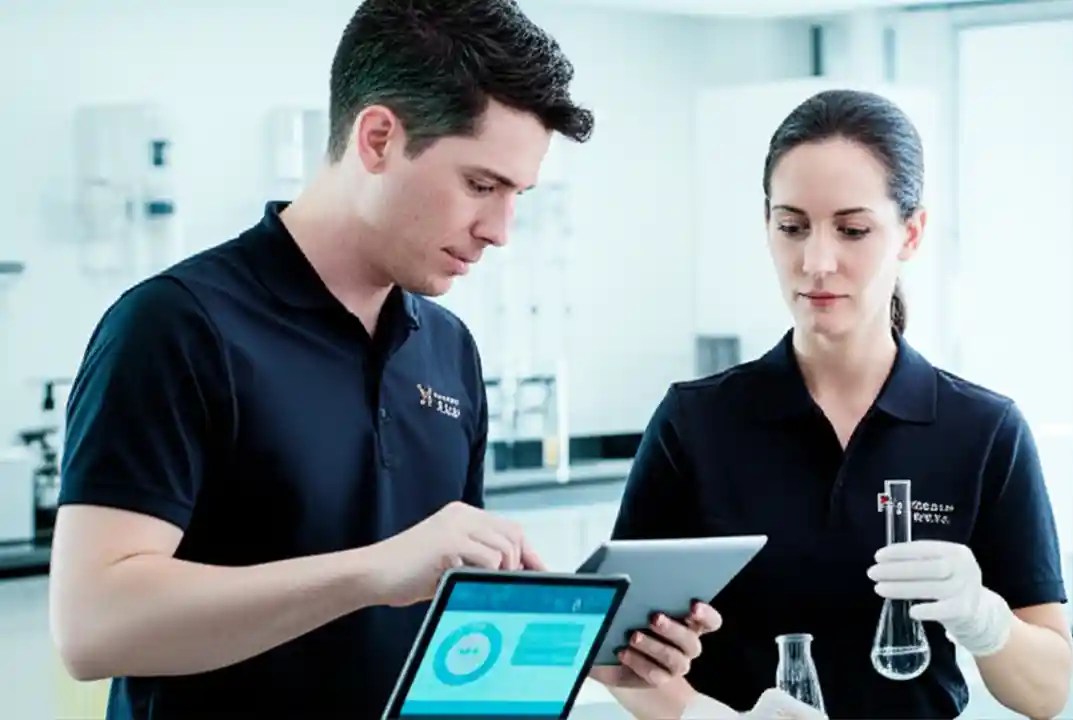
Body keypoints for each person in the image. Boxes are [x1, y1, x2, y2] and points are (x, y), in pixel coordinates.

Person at [48, 2, 716, 718]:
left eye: (517, 196)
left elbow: (448, 635)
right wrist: (374, 572)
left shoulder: (448, 349)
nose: (499, 231)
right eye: (481, 185)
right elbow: (93, 626)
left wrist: (597, 646)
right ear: (377, 139)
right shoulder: (176, 326)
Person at [610, 89, 1073, 720]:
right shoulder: (696, 424)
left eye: (853, 230)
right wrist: (705, 718)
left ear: (911, 233)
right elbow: (620, 653)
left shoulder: (985, 431)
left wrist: (984, 619)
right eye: (792, 227)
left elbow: (1046, 692)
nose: (816, 261)